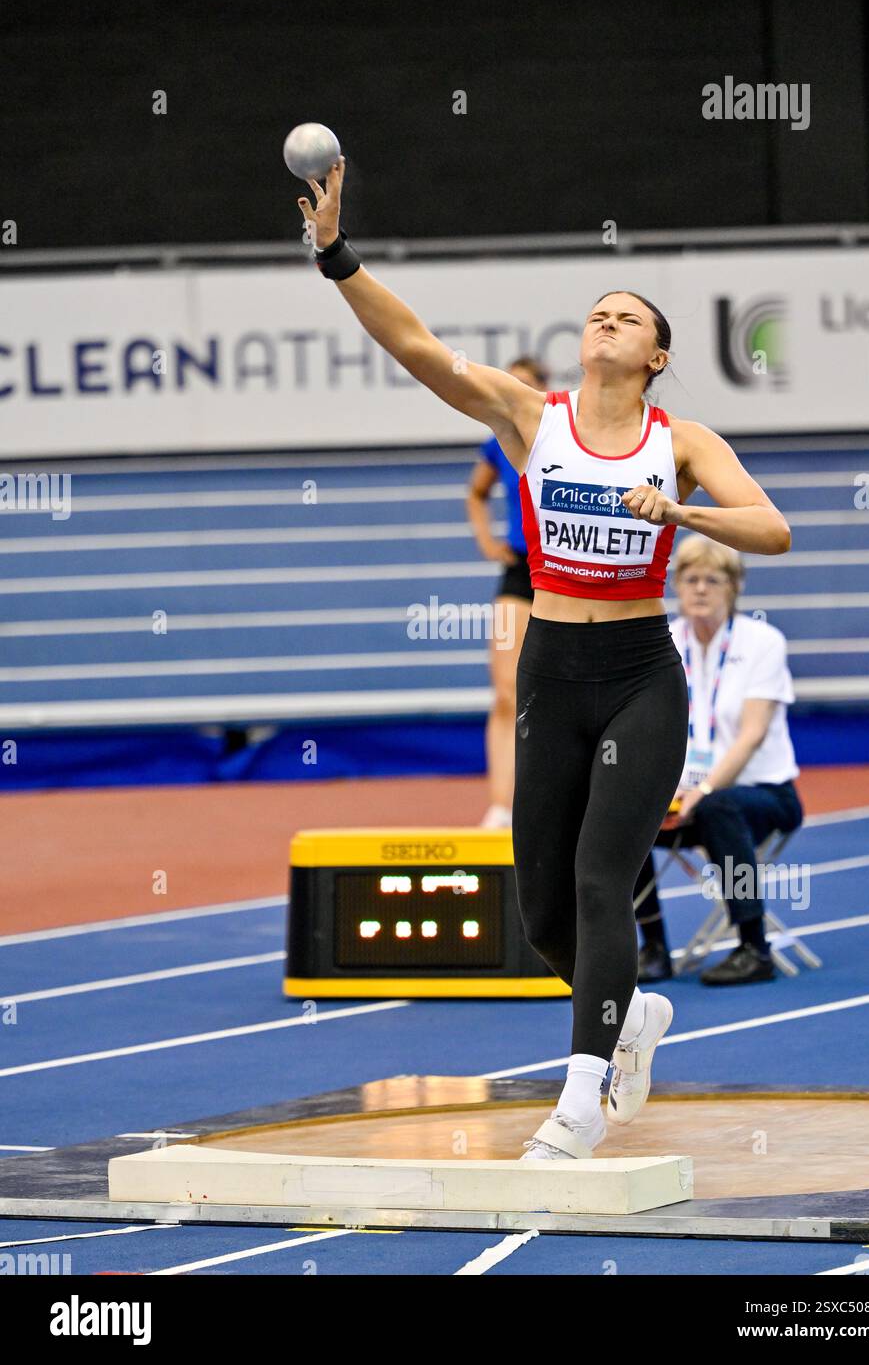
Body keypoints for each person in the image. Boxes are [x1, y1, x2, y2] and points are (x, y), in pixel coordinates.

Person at [297, 159, 792, 1162]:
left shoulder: (679, 439)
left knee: (603, 876)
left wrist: (680, 509)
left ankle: (576, 1103)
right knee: (541, 905)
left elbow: (772, 529)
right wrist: (335, 256)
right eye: (596, 312)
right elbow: (419, 349)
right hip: (552, 668)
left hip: (641, 673)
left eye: (626, 318)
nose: (604, 321)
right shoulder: (534, 419)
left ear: (655, 355)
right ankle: (634, 1013)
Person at [632, 535, 804, 984]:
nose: (701, 589)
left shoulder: (764, 641)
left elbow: (751, 735)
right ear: (676, 586)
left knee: (717, 808)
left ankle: (754, 947)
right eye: (691, 579)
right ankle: (651, 947)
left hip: (764, 795)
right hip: (680, 797)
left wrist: (703, 790)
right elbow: (646, 728)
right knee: (621, 811)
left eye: (713, 579)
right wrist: (661, 794)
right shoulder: (661, 640)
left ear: (734, 586)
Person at [467, 356, 547, 829]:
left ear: (541, 390)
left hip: (564, 569)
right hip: (518, 574)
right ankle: (501, 805)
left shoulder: (560, 434)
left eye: (525, 385)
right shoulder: (498, 439)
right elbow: (475, 492)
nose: (513, 392)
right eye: (508, 383)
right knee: (505, 691)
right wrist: (486, 539)